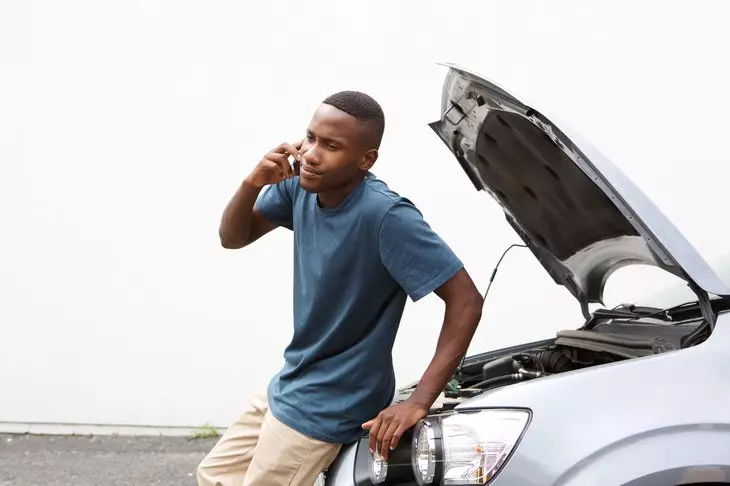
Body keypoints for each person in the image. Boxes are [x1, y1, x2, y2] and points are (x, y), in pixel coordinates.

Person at [198, 90, 484, 486]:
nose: (312, 153)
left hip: (332, 402)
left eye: (331, 146)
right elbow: (233, 237)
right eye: (310, 137)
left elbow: (466, 300)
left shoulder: (386, 216)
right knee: (212, 475)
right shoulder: (301, 185)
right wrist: (252, 182)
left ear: (366, 159)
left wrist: (418, 402)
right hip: (293, 382)